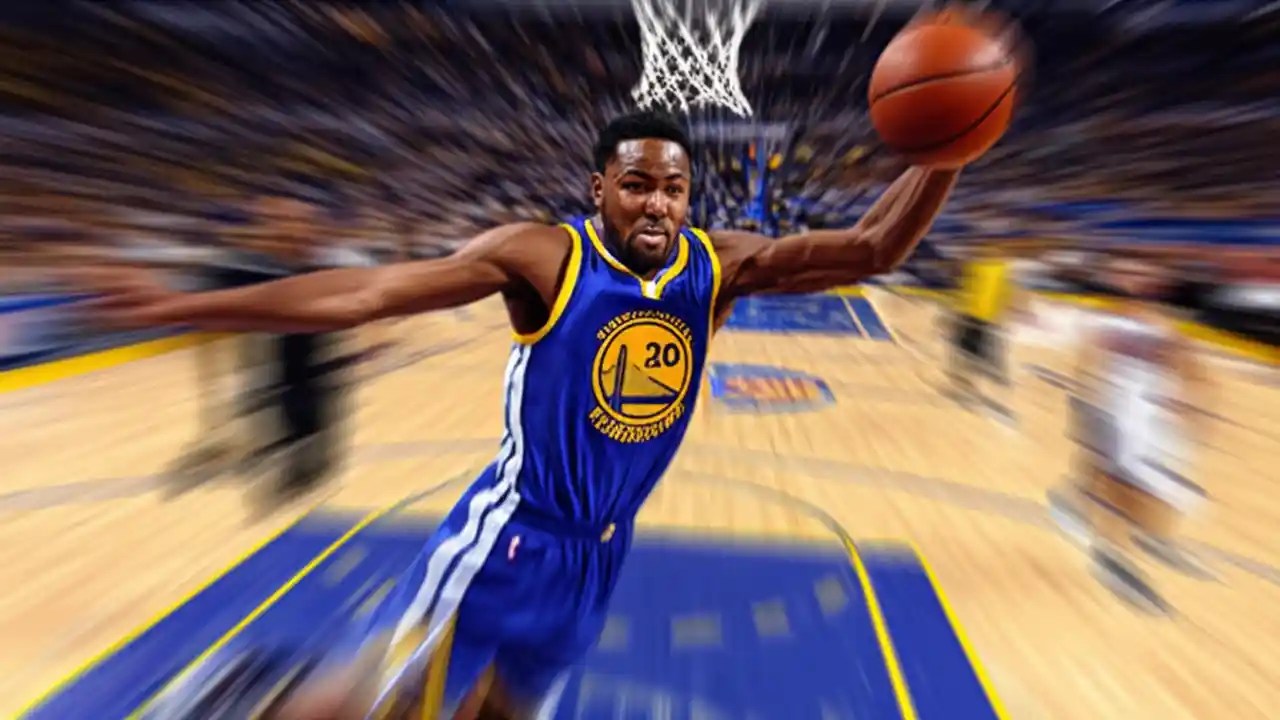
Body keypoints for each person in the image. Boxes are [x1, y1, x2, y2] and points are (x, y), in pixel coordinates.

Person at [73, 110, 973, 719]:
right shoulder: (542, 258)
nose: (657, 202)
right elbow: (365, 294)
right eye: (637, 185)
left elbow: (873, 248)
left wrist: (949, 150)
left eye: (673, 187)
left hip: (601, 553)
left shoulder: (719, 265)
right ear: (598, 190)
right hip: (507, 539)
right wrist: (178, 308)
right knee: (371, 707)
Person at [1047, 256, 1214, 615]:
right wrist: (1085, 404)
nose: (1137, 279)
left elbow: (1186, 365)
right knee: (1118, 483)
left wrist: (1192, 404)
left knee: (1162, 488)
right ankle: (1113, 555)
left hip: (1152, 414)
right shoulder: (1107, 320)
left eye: (1145, 273)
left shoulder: (1165, 323)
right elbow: (1088, 363)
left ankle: (1139, 533)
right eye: (1128, 272)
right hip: (1116, 407)